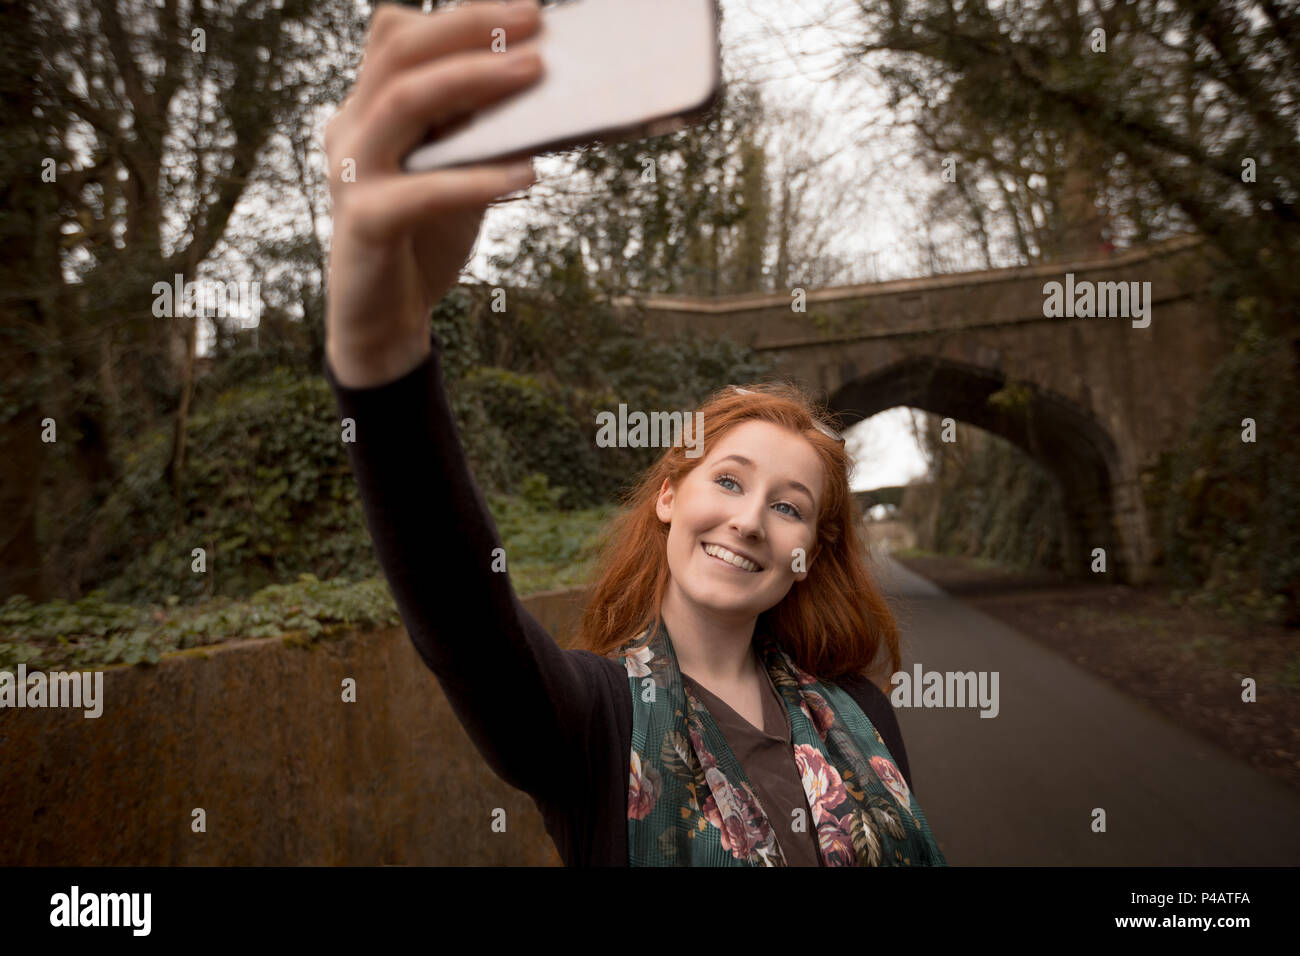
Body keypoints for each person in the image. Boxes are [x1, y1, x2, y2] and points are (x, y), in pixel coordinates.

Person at [322, 0, 946, 866]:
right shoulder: (585, 722)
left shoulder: (862, 715)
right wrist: (381, 348)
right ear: (667, 497)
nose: (749, 520)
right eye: (727, 480)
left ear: (811, 549)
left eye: (789, 507)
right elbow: (457, 605)